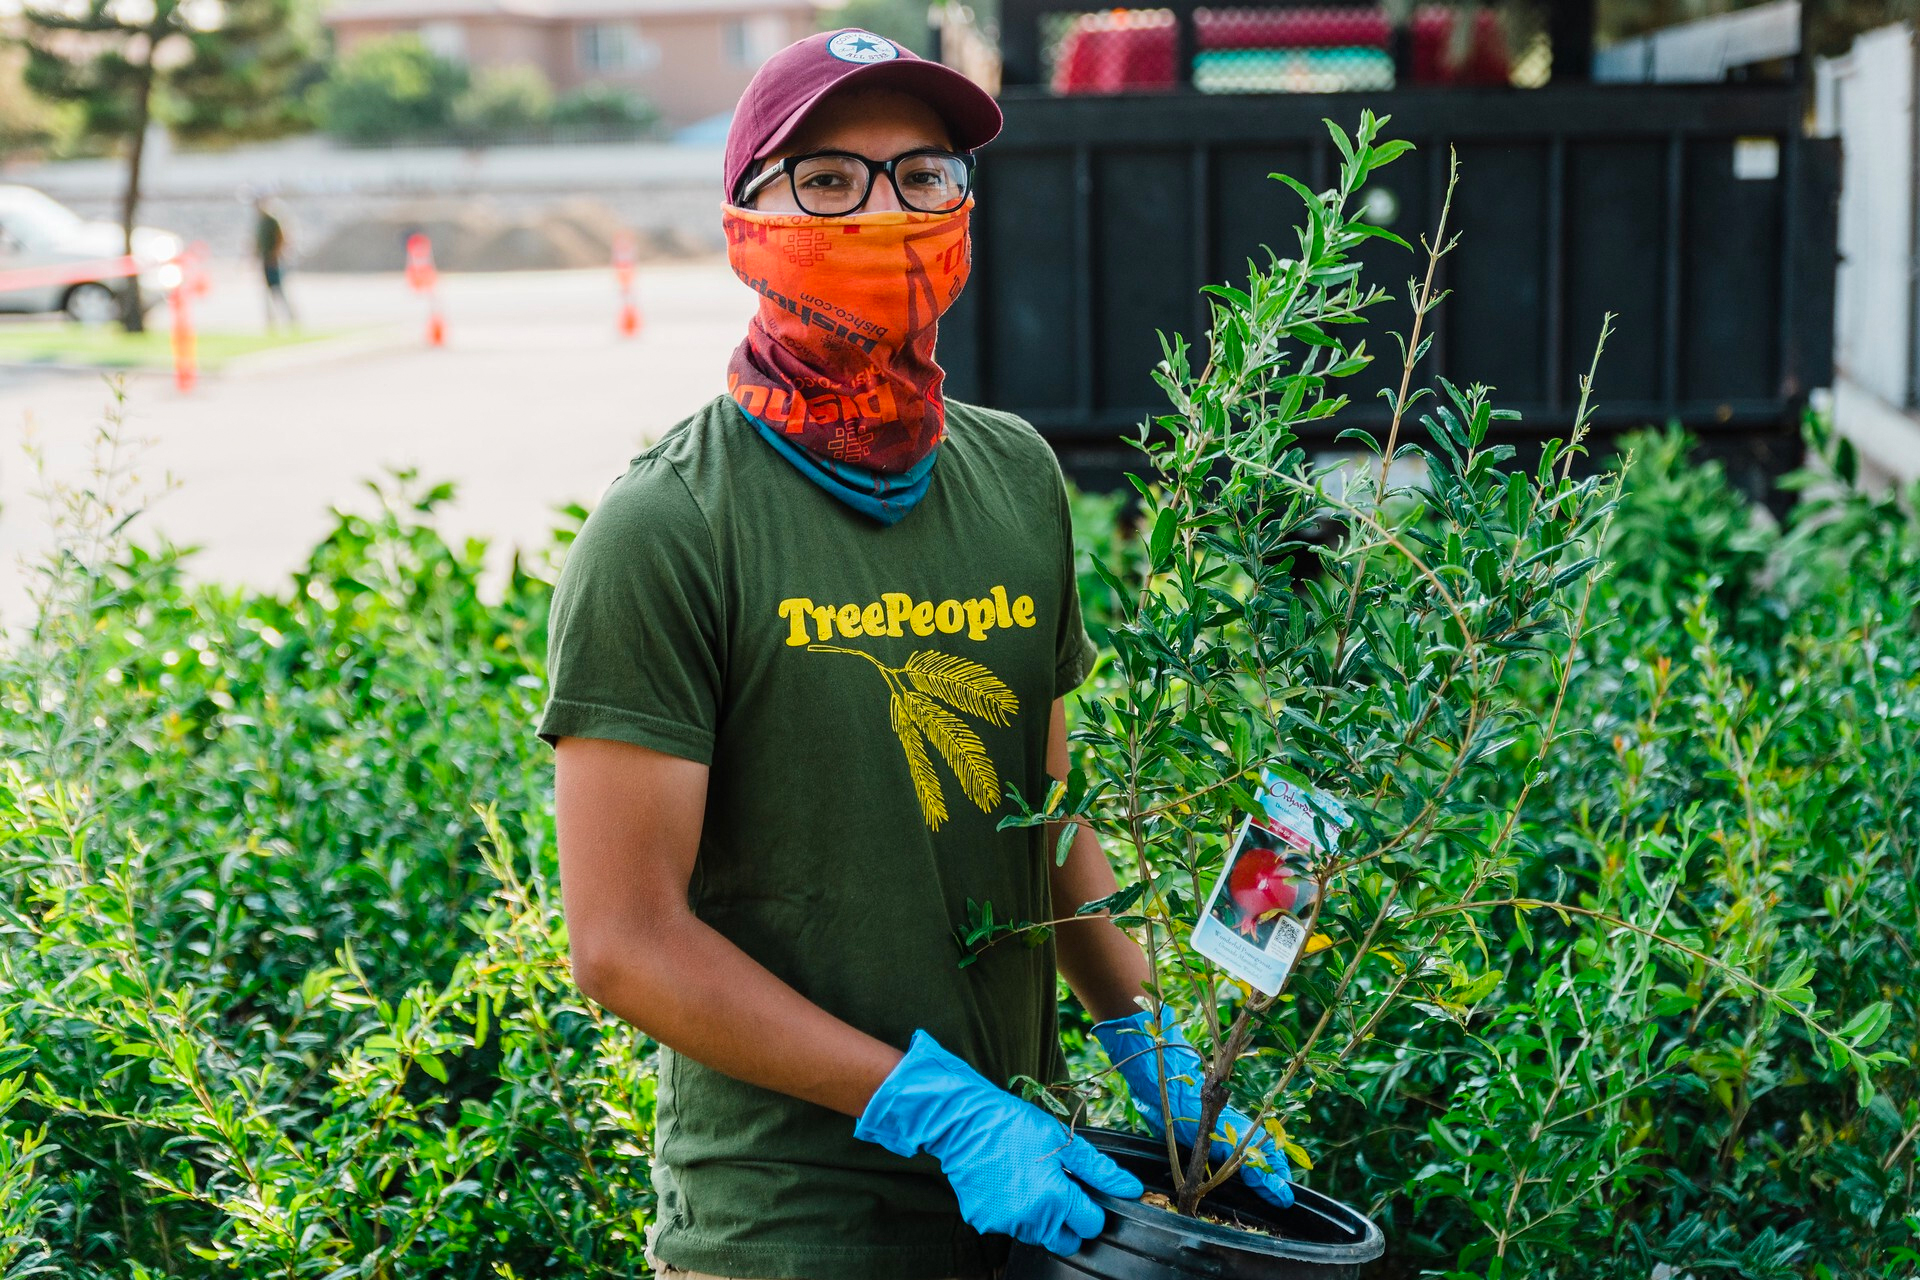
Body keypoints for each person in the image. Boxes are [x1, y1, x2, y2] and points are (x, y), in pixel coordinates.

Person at [538, 28, 1296, 1280]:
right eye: (829, 181)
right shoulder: (668, 526)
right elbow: (625, 941)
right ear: (747, 222)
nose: (884, 214)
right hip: (783, 1232)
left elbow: (1044, 813)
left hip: (1040, 1217)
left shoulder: (1015, 475)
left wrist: (1151, 1047)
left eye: (923, 175)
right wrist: (934, 1106)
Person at [252, 194, 296, 331]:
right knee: (267, 291)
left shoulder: (271, 220)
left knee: (278, 290)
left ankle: (291, 319)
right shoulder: (260, 221)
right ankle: (271, 321)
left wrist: (275, 255)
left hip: (273, 261)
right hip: (265, 259)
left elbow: (281, 238)